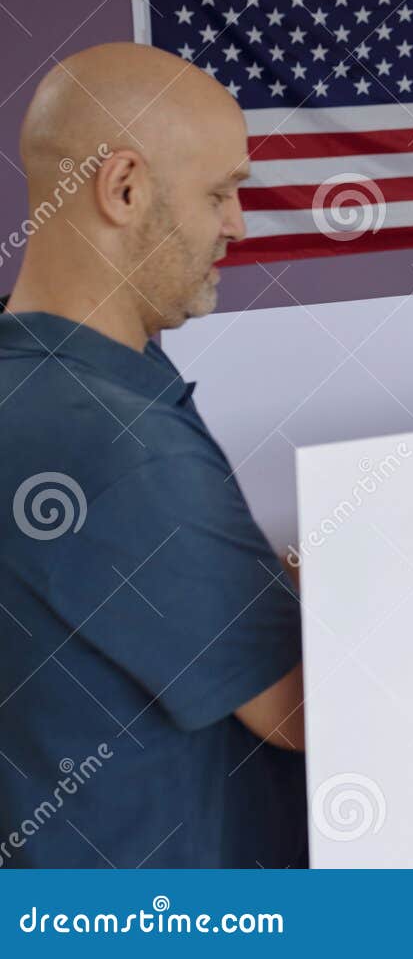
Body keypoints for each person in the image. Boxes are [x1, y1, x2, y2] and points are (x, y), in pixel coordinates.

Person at [0, 42, 306, 868]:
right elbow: (303, 710)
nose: (238, 224)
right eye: (221, 193)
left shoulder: (45, 376)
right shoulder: (121, 443)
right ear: (125, 187)